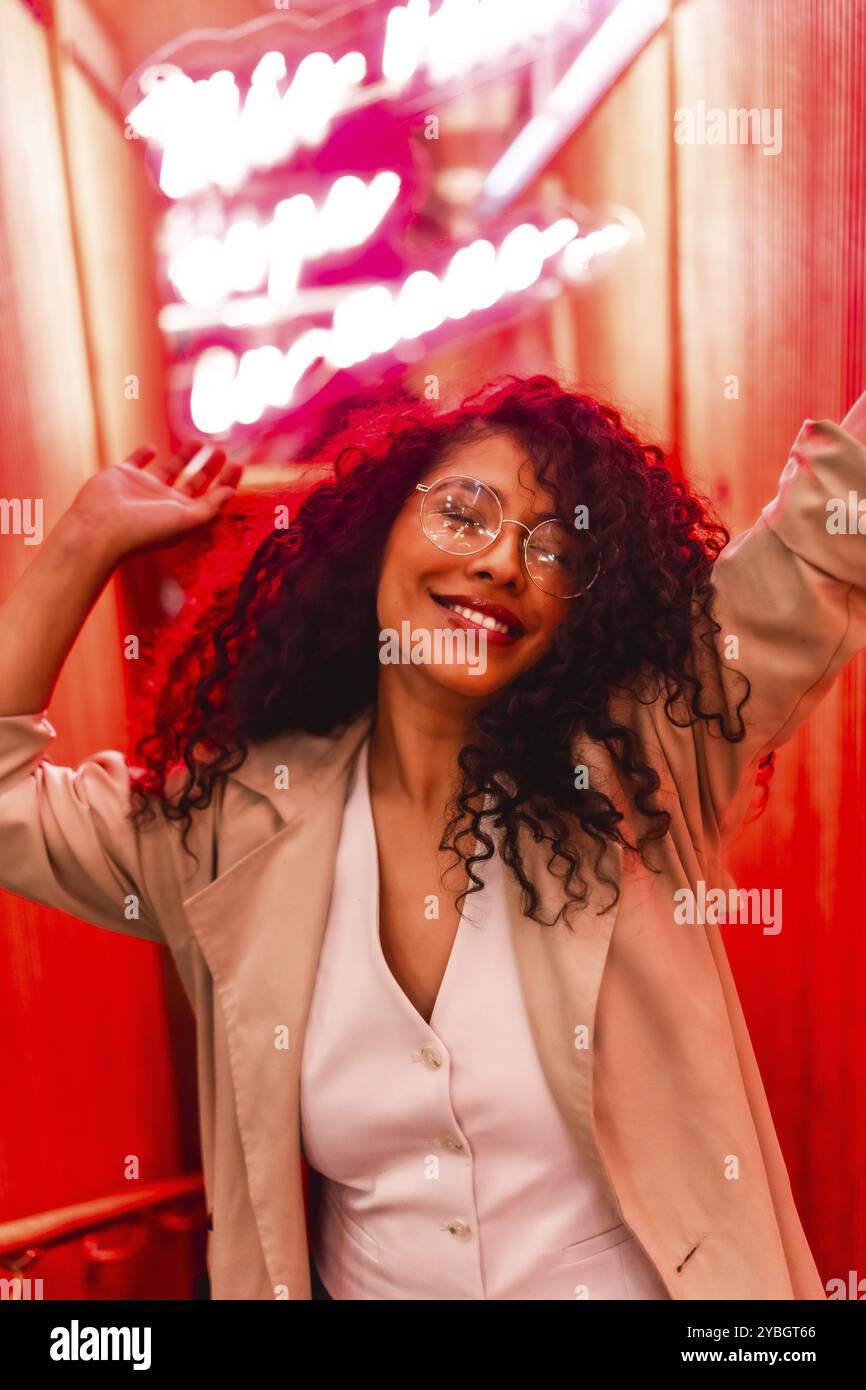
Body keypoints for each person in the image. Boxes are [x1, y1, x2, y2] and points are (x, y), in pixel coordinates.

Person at [1, 374, 863, 1301]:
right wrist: (83, 541)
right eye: (464, 513)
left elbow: (827, 535)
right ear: (378, 538)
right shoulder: (231, 826)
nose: (501, 564)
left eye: (556, 551)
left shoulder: (647, 762)